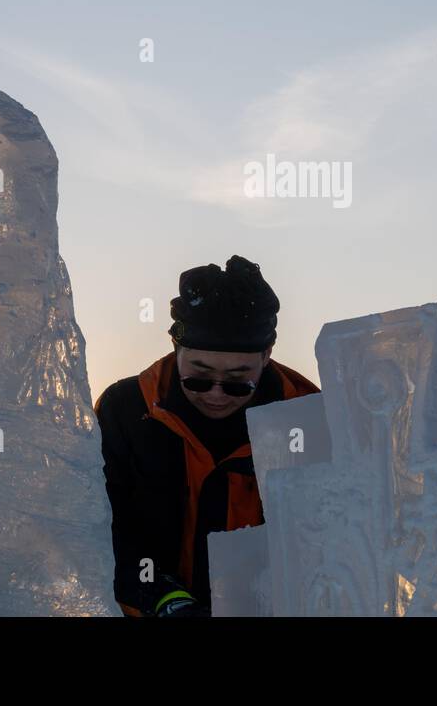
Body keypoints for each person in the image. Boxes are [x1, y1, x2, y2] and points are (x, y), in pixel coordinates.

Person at [95, 256, 320, 616]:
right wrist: (165, 600)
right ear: (176, 349)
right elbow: (100, 525)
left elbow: (325, 540)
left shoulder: (307, 417)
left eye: (237, 380)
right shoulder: (125, 410)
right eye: (198, 376)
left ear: (266, 355)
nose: (216, 394)